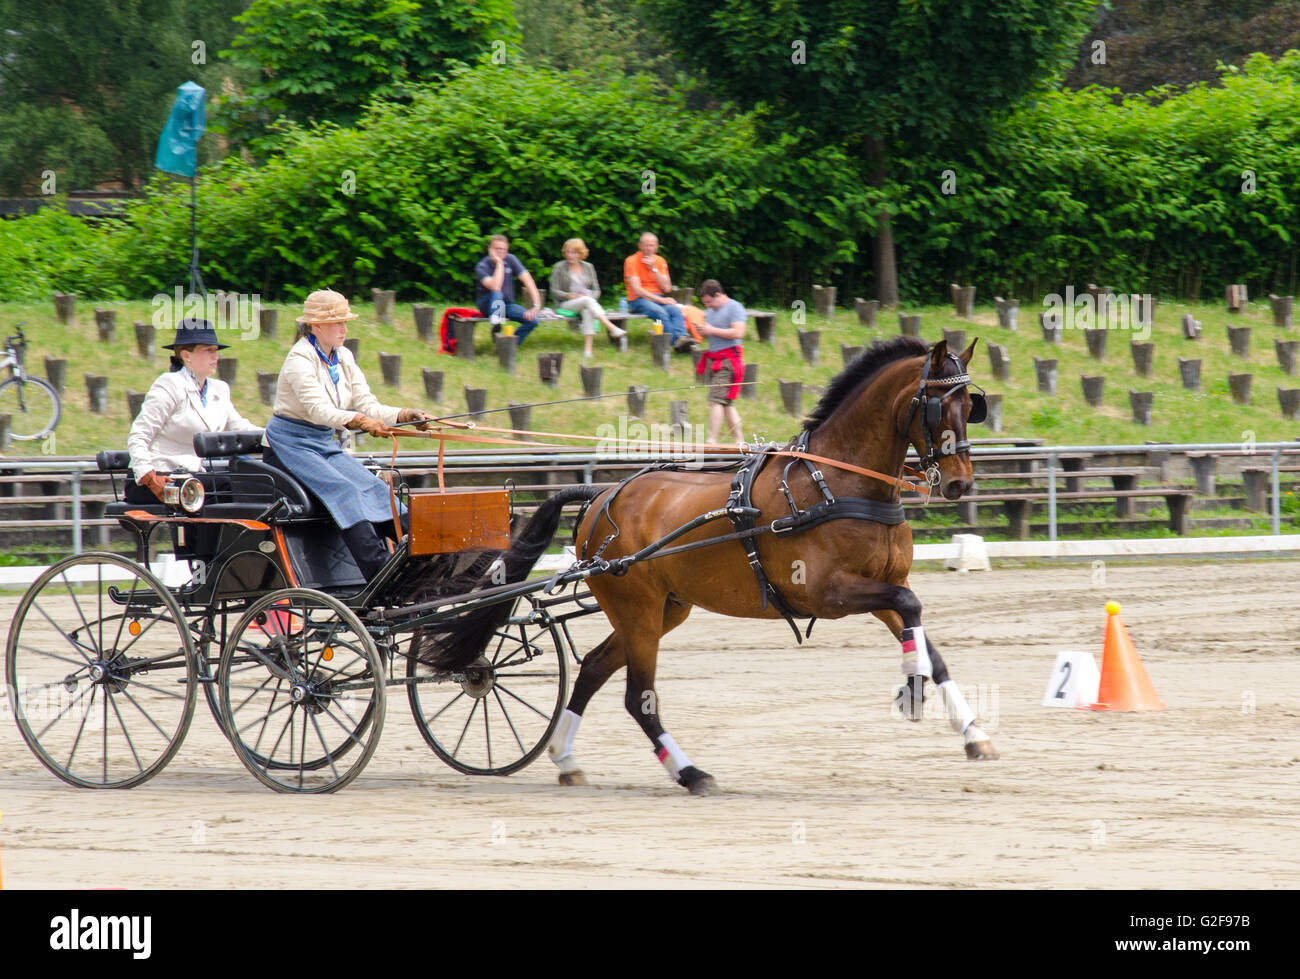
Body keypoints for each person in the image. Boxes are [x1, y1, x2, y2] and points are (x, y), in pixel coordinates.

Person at [264, 289, 433, 580]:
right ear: (316, 326)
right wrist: (360, 421)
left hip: (321, 443)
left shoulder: (343, 356)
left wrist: (405, 415)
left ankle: (426, 551)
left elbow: (367, 403)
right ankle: (380, 571)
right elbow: (318, 411)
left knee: (377, 488)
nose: (345, 328)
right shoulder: (299, 359)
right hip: (289, 446)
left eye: (345, 321)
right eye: (337, 322)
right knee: (345, 491)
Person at [126, 318, 259, 504]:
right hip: (160, 478)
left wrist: (275, 437)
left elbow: (240, 428)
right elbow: (139, 436)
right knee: (228, 487)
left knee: (248, 484)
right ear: (187, 355)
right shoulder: (169, 385)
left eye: (216, 351)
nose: (216, 357)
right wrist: (150, 478)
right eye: (208, 350)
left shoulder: (219, 389)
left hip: (193, 478)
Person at [549, 238, 626, 357]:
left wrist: (589, 296)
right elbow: (554, 291)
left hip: (586, 302)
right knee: (587, 301)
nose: (571, 255)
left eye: (574, 252)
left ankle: (588, 351)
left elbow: (597, 290)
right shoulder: (559, 267)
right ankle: (610, 327)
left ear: (581, 254)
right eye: (568, 252)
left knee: (587, 309)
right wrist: (569, 295)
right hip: (566, 303)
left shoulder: (589, 267)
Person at [624, 232, 698, 352]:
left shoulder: (660, 261)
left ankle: (682, 339)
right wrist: (662, 300)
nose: (648, 248)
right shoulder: (631, 261)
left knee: (675, 310)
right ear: (640, 246)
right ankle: (676, 343)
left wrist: (654, 269)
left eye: (651, 245)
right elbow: (637, 290)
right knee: (660, 313)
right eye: (646, 245)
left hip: (657, 298)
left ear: (656, 247)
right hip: (638, 300)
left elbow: (667, 288)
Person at [695, 280, 746, 444]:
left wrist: (711, 330)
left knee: (716, 400)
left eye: (709, 302)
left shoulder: (735, 308)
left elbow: (738, 332)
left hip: (728, 361)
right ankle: (739, 440)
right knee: (725, 403)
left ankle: (712, 440)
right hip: (714, 360)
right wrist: (702, 331)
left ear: (717, 295)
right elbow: (711, 334)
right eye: (705, 304)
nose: (708, 306)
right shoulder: (710, 312)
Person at [475, 234, 544, 344]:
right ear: (490, 249)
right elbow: (495, 286)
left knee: (533, 321)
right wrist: (499, 263)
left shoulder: (511, 259)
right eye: (497, 249)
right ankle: (496, 323)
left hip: (507, 305)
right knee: (497, 293)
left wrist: (536, 306)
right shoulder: (482, 266)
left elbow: (529, 281)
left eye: (504, 249)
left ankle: (508, 345)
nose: (501, 252)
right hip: (487, 305)